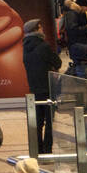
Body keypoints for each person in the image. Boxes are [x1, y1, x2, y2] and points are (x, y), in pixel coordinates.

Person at [22, 18, 62, 154]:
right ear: (35, 30)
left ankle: (37, 149)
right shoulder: (43, 46)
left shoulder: (25, 47)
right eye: (40, 27)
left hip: (34, 88)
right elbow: (58, 62)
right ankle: (47, 149)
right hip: (48, 88)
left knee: (38, 122)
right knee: (50, 121)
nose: (42, 29)